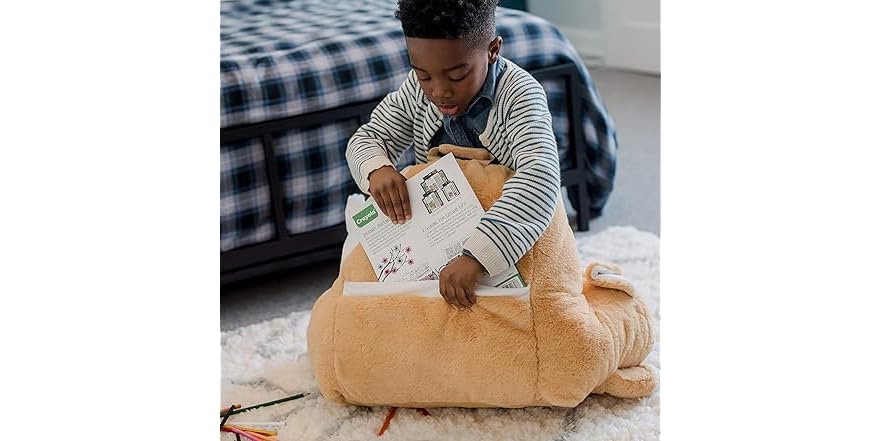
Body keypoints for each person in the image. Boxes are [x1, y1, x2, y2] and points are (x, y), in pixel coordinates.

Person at [346, 0, 560, 309]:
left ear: (493, 50)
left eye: (457, 76)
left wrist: (478, 255)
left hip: (513, 230)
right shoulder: (417, 91)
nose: (439, 91)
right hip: (440, 238)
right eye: (424, 75)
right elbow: (368, 137)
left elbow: (540, 177)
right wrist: (377, 168)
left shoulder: (521, 95)